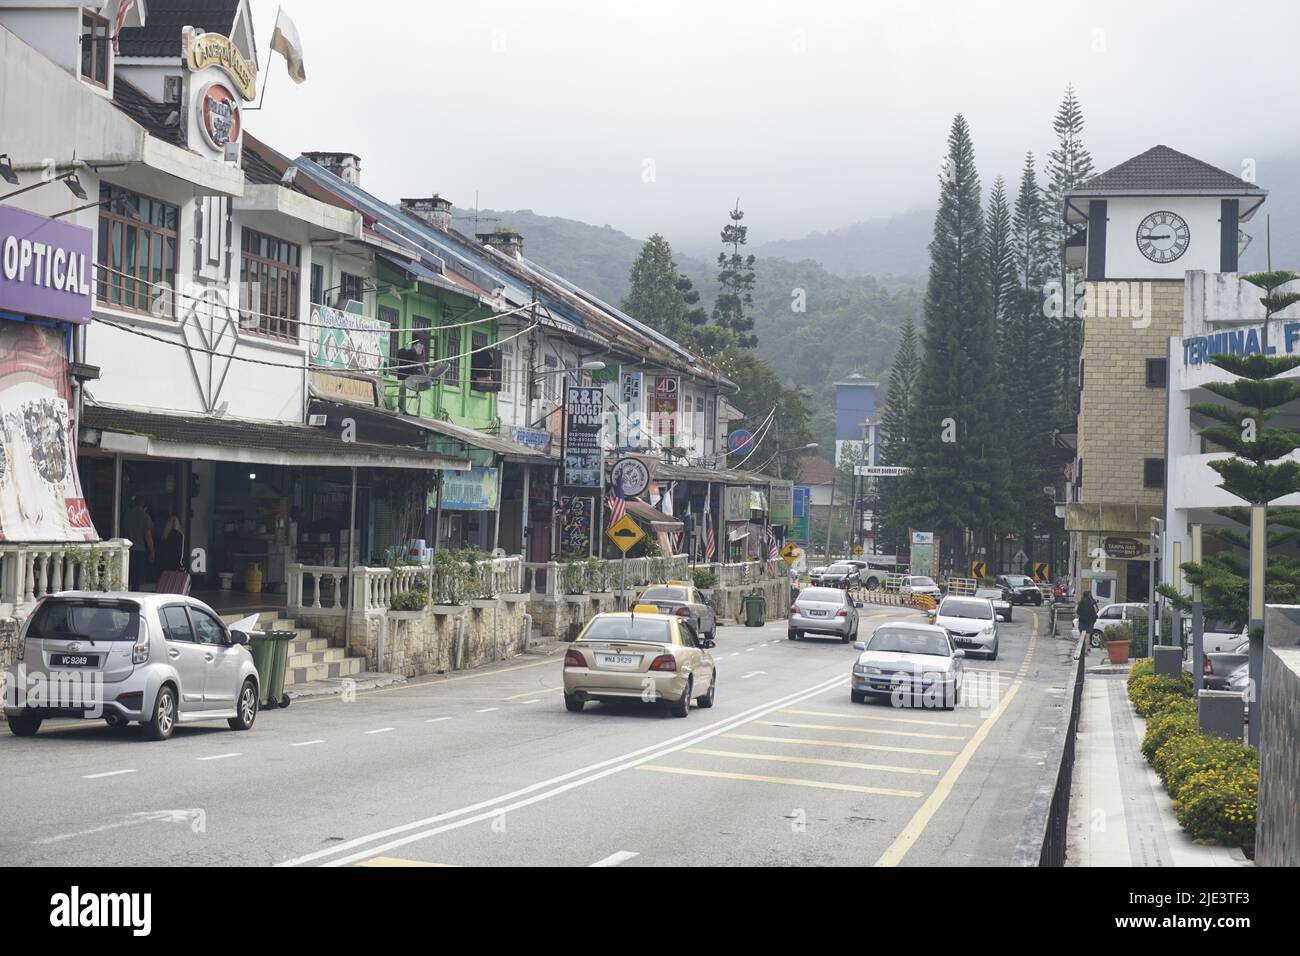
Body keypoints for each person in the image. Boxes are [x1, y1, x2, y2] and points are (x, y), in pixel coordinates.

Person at [122, 496, 155, 591]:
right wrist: (152, 551)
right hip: (139, 549)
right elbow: (148, 535)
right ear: (143, 504)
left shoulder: (127, 515)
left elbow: (124, 529)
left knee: (126, 573)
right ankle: (135, 592)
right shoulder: (145, 517)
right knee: (137, 576)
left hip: (127, 548)